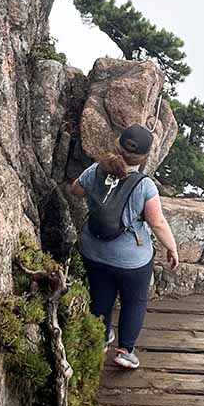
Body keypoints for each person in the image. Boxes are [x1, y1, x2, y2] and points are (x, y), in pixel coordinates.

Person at [70, 124, 179, 369]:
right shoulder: (144, 185)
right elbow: (157, 222)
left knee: (100, 296)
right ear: (144, 156)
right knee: (134, 301)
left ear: (118, 143)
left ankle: (100, 337)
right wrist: (171, 248)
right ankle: (125, 351)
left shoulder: (97, 169)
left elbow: (75, 189)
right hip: (131, 260)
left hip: (94, 251)